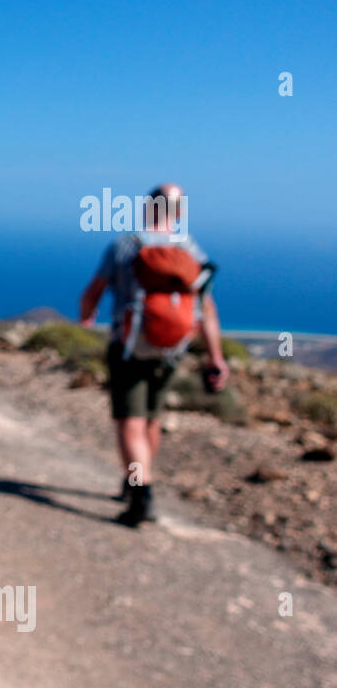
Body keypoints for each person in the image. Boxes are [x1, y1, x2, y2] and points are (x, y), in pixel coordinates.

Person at [78, 183, 228, 527]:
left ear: (148, 208)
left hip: (130, 346)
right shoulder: (190, 250)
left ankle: (140, 492)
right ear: (179, 212)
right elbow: (205, 308)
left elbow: (94, 292)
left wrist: (86, 316)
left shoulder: (126, 246)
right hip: (172, 349)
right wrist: (215, 357)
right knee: (151, 419)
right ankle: (136, 476)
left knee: (130, 423)